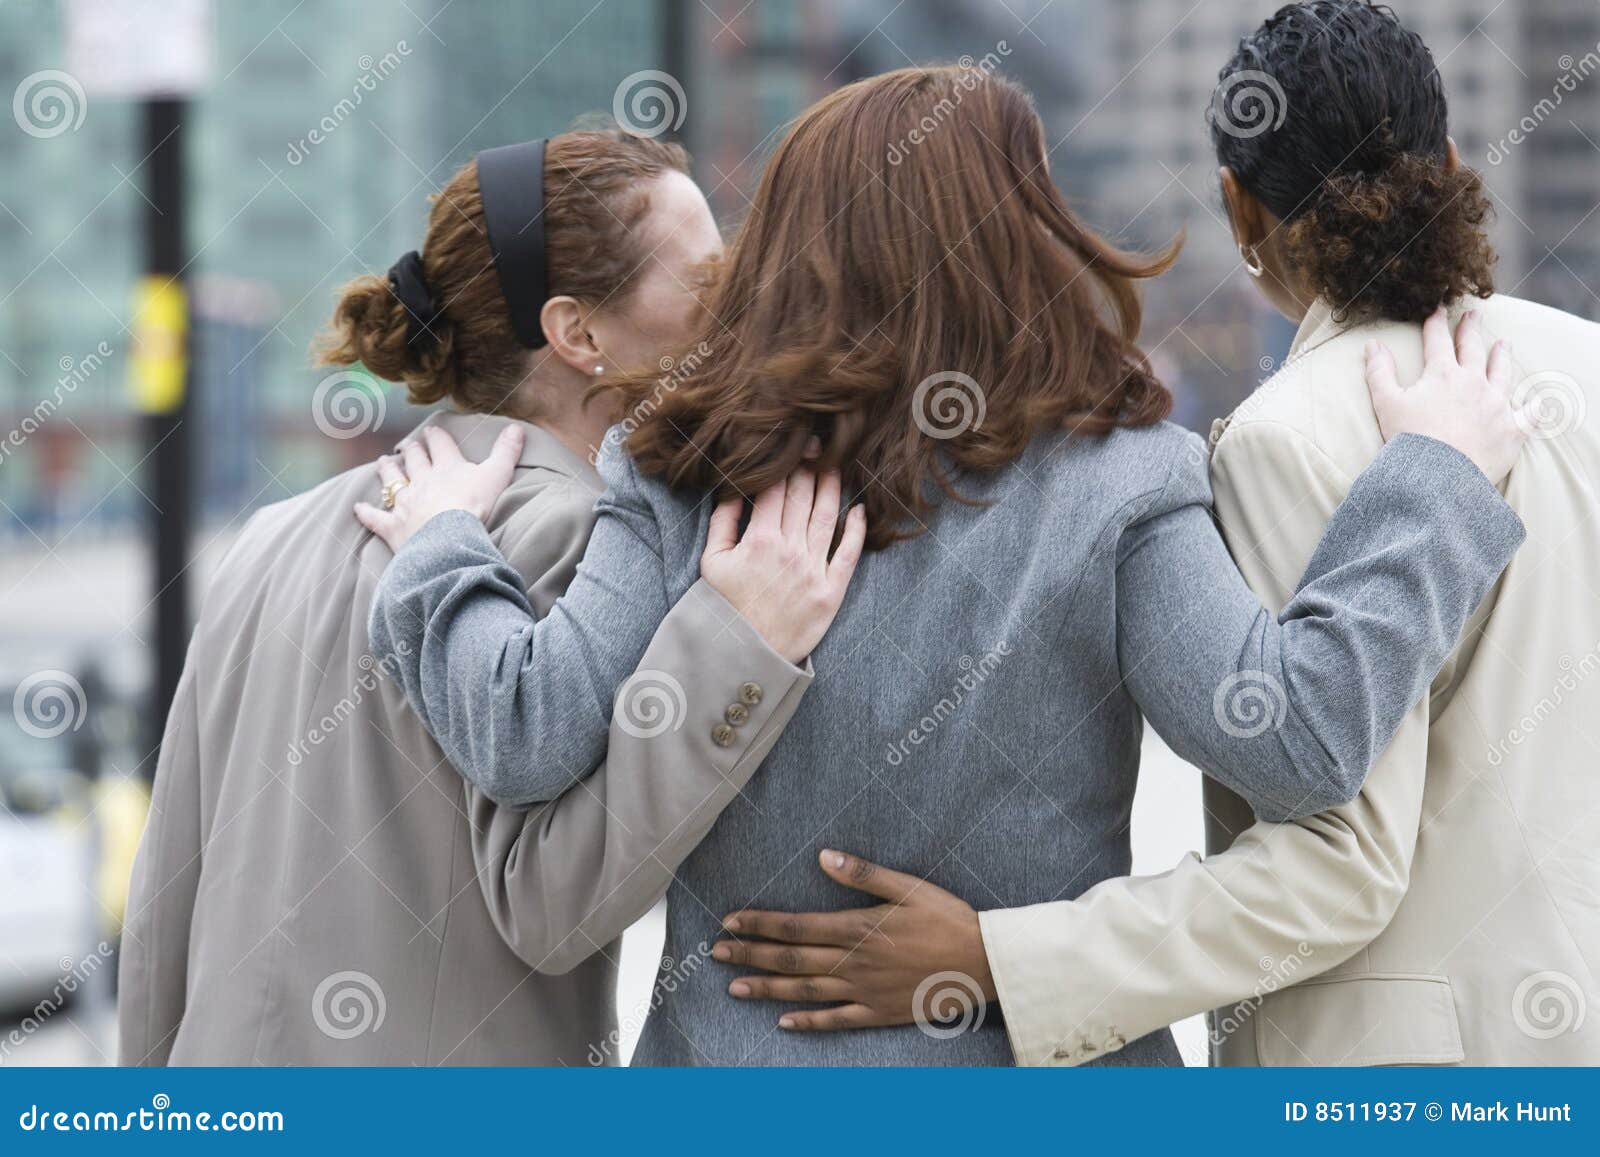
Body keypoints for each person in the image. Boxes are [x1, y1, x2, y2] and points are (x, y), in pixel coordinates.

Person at [361, 64, 1528, 1066]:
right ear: (1021, 232)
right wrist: (1433, 477)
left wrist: (435, 552)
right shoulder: (1124, 480)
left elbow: (525, 732)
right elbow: (1302, 740)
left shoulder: (678, 466)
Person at [727, 2, 1599, 1067]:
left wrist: (1002, 959)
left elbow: (1339, 862)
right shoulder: (1585, 368)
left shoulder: (1290, 434)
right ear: (1453, 163)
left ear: (1238, 210)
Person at [117, 128, 862, 1066]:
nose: (739, 314)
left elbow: (159, 906)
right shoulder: (578, 536)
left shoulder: (270, 537)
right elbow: (556, 904)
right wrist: (742, 641)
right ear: (577, 333)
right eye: (711, 285)